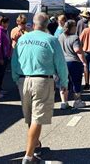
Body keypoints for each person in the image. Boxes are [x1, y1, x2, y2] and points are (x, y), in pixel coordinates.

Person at [11, 12, 69, 164]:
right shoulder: (51, 40)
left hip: (24, 79)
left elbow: (14, 61)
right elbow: (60, 63)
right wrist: (64, 82)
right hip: (42, 80)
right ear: (46, 24)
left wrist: (16, 79)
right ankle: (28, 156)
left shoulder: (22, 39)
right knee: (37, 117)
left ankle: (35, 144)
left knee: (30, 116)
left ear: (33, 23)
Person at [59, 20, 87, 108]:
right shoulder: (74, 37)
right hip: (74, 62)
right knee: (76, 82)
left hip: (63, 62)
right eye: (75, 26)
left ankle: (64, 102)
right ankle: (77, 101)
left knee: (64, 82)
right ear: (72, 27)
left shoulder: (60, 36)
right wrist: (84, 61)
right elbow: (77, 50)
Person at [0, 16, 11, 97]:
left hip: (5, 56)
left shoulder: (4, 31)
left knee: (1, 74)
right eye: (7, 22)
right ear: (3, 23)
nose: (8, 24)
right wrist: (0, 58)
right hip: (1, 57)